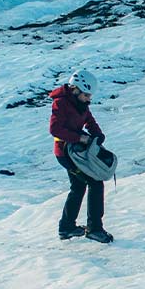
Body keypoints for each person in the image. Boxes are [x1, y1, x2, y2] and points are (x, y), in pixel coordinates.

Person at [49, 68, 113, 243]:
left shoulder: (80, 103)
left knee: (78, 187)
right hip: (66, 154)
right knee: (95, 182)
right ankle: (94, 229)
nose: (88, 99)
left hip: (76, 152)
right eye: (86, 95)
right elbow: (55, 129)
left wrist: (98, 135)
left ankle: (67, 227)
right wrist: (80, 138)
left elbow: (89, 120)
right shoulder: (61, 103)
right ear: (75, 89)